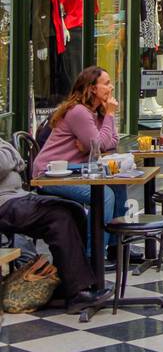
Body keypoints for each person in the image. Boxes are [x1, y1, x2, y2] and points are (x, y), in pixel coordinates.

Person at [0, 139, 111, 310]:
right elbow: (4, 162)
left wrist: (11, 155)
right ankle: (76, 294)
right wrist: (13, 155)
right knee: (58, 217)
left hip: (17, 196)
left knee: (74, 209)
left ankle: (68, 282)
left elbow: (9, 156)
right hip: (4, 203)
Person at [34, 66, 129, 235]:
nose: (111, 87)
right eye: (106, 84)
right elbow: (100, 145)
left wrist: (90, 145)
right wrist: (109, 116)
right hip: (51, 171)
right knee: (104, 196)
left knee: (118, 182)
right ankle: (95, 255)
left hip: (75, 169)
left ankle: (116, 245)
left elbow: (112, 141)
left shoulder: (96, 112)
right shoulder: (79, 112)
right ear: (92, 88)